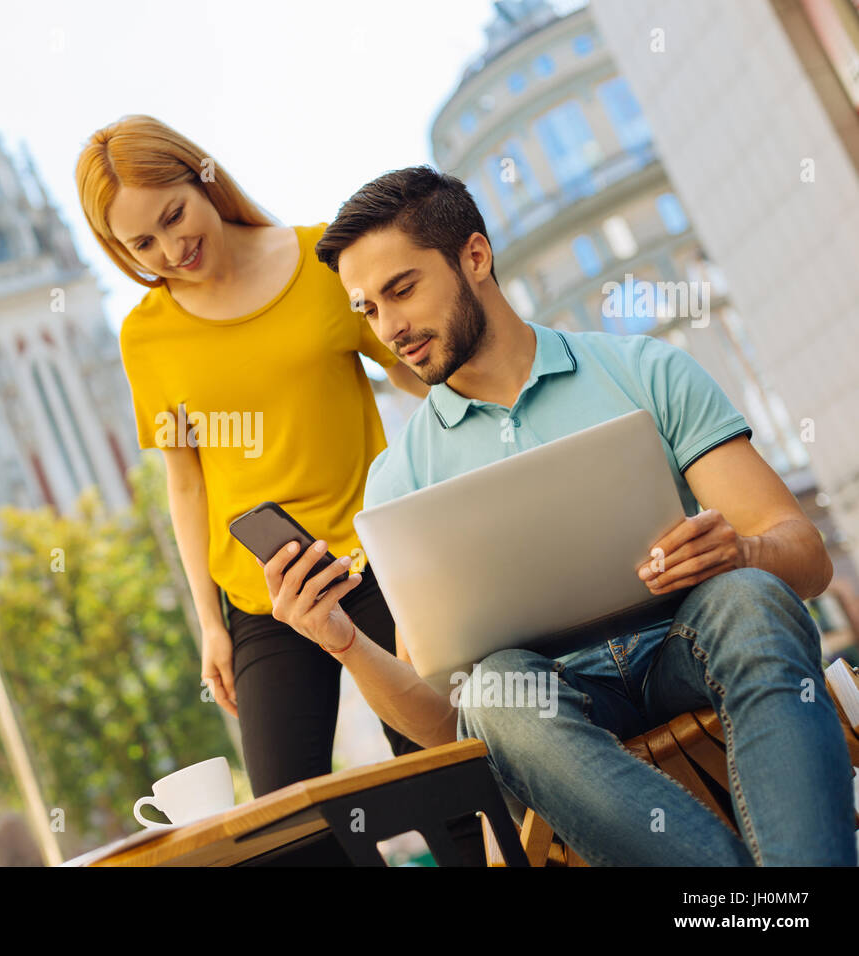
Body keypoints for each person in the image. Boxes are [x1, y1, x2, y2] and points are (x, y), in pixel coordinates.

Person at [262, 164, 857, 866]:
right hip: (550, 712)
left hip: (687, 650)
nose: (390, 328)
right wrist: (344, 644)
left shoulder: (645, 371)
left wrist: (744, 554)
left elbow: (806, 559)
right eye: (367, 309)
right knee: (494, 692)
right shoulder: (400, 481)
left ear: (474, 257)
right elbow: (450, 723)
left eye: (402, 289)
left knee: (750, 596)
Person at [73, 115, 434, 801]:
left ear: (202, 177)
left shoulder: (320, 261)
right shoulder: (146, 337)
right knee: (284, 822)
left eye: (175, 217)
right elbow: (186, 487)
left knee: (441, 779)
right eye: (140, 243)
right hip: (263, 598)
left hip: (383, 564)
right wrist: (211, 625)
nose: (170, 250)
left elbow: (418, 374)